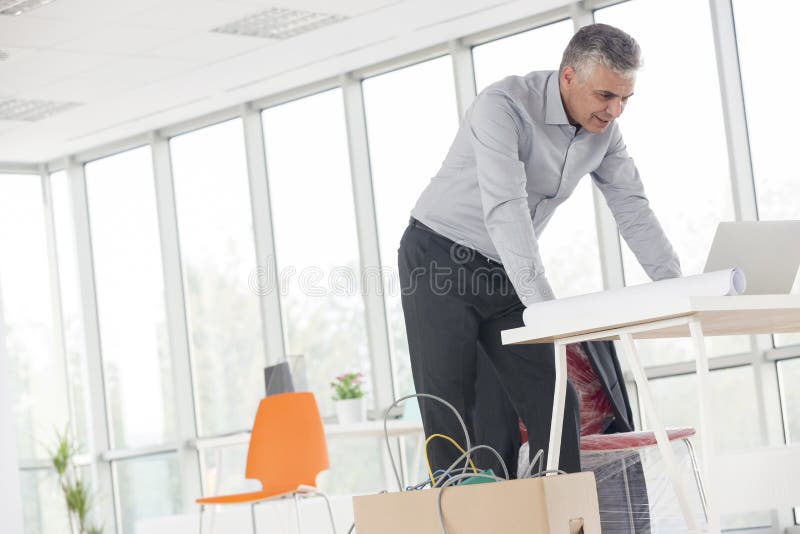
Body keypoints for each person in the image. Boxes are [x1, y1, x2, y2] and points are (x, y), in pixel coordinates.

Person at [398, 23, 681, 476]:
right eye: (606, 95)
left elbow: (632, 207)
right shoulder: (503, 106)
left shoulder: (605, 133)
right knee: (452, 405)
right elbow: (506, 208)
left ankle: (565, 514)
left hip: (504, 266)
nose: (616, 110)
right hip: (439, 257)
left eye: (626, 98)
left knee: (553, 395)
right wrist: (547, 312)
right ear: (568, 77)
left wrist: (675, 289)